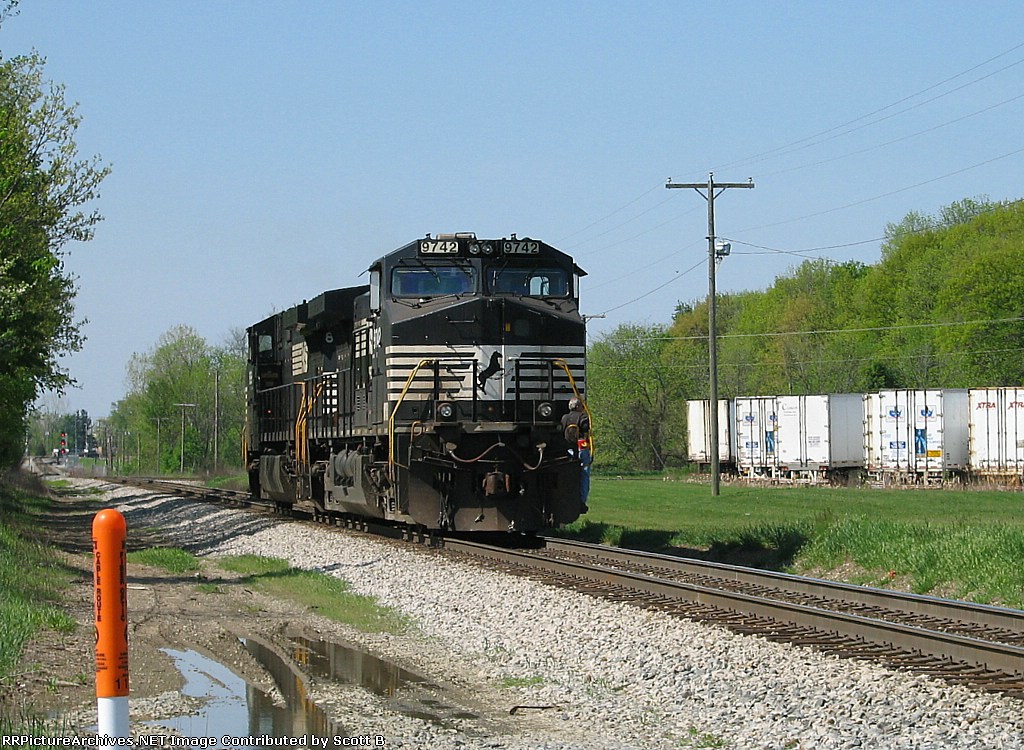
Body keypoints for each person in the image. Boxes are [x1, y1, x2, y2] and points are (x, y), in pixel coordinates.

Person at [561, 397, 592, 512]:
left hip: (568, 449)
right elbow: (586, 429)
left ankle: (568, 497)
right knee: (584, 475)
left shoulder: (564, 418)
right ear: (578, 406)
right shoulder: (583, 417)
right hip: (581, 447)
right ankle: (582, 501)